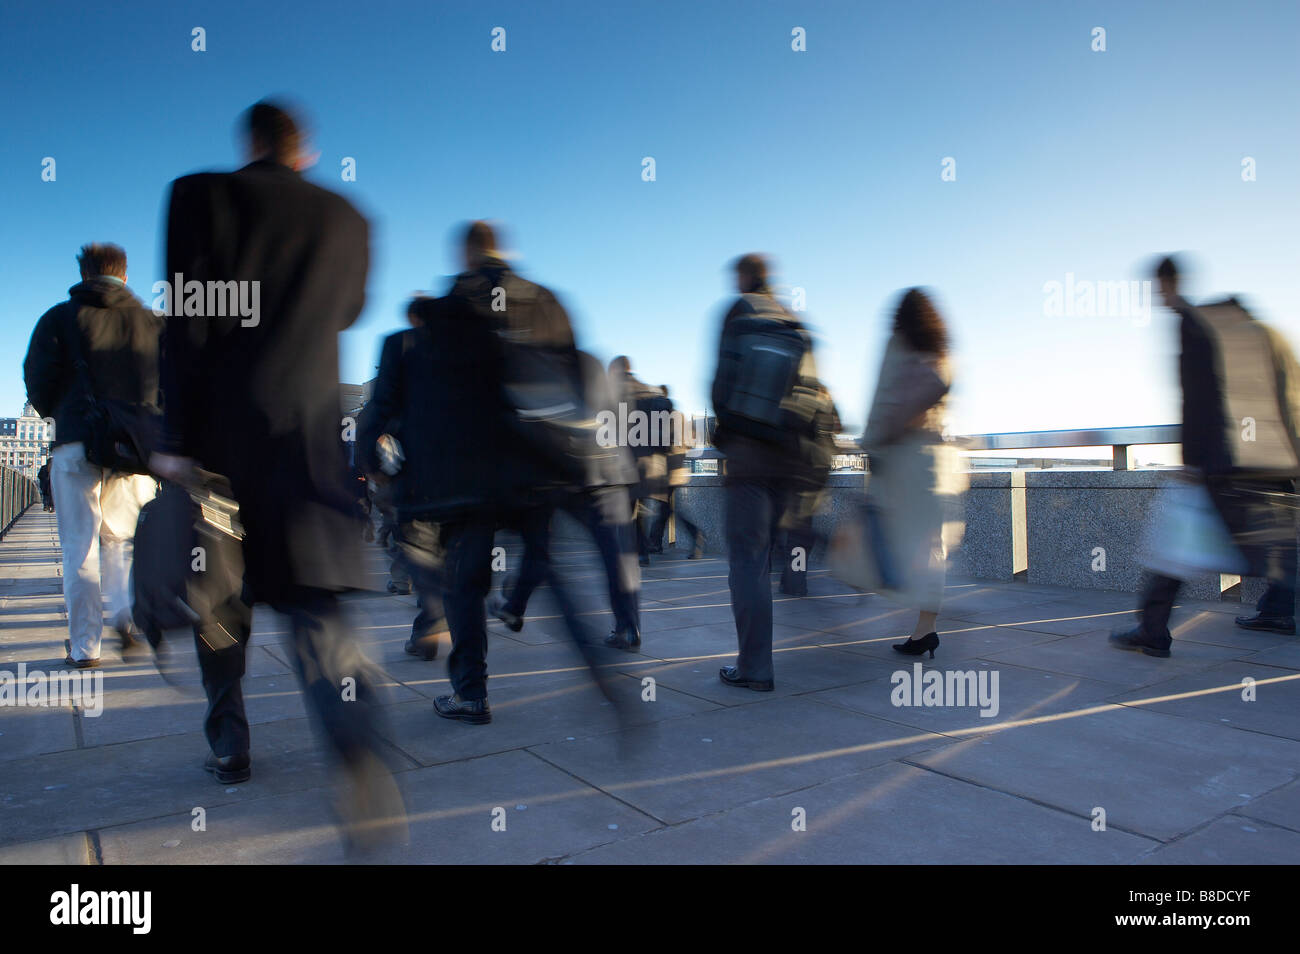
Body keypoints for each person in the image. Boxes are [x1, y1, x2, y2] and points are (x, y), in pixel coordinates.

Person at [151, 101, 403, 846]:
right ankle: (355, 746)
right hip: (308, 437)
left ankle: (229, 743)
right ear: (307, 150)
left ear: (251, 142)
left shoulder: (201, 195)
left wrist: (172, 440)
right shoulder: (346, 217)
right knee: (315, 604)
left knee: (219, 598)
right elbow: (349, 311)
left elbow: (185, 321)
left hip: (220, 440)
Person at [432, 221, 632, 722]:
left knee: (466, 583)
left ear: (469, 252)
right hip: (540, 462)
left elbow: (439, 397)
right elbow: (577, 377)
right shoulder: (545, 297)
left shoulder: (455, 302)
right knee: (551, 568)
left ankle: (471, 693)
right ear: (505, 249)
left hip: (475, 471)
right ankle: (605, 681)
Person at [1112, 257, 1300, 656]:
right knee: (1279, 548)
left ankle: (1152, 630)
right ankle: (1276, 611)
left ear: (1165, 283)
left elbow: (1197, 395)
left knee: (1170, 546)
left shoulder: (1193, 322)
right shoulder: (1265, 335)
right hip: (1273, 460)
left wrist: (1192, 461)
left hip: (1221, 461)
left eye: (1156, 288)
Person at [23, 243, 162, 668]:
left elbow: (37, 381)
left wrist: (64, 413)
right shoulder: (150, 322)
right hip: (133, 447)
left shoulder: (58, 318)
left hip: (76, 442)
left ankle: (86, 648)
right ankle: (125, 614)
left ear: (84, 273)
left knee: (79, 548)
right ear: (124, 273)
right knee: (120, 541)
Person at [710, 253, 836, 691]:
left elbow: (720, 385)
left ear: (745, 278)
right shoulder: (797, 324)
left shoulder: (739, 313)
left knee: (748, 562)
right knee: (778, 548)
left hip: (748, 461)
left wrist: (725, 435)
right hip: (788, 459)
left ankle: (755, 667)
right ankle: (823, 555)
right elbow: (814, 398)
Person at [490, 349, 643, 650]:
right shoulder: (593, 363)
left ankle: (514, 605)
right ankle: (628, 627)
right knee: (616, 554)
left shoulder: (537, 363)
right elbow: (620, 417)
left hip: (563, 471)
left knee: (538, 545)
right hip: (609, 470)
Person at [861, 289, 967, 658]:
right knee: (930, 546)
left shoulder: (899, 343)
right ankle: (925, 628)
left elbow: (884, 398)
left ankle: (911, 616)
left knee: (892, 535)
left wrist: (873, 443)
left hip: (904, 457)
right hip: (937, 461)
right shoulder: (942, 350)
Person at [358, 298, 451, 661]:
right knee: (443, 549)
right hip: (453, 472)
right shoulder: (454, 351)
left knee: (414, 544)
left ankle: (430, 623)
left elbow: (378, 410)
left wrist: (370, 466)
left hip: (411, 473)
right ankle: (437, 619)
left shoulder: (401, 346)